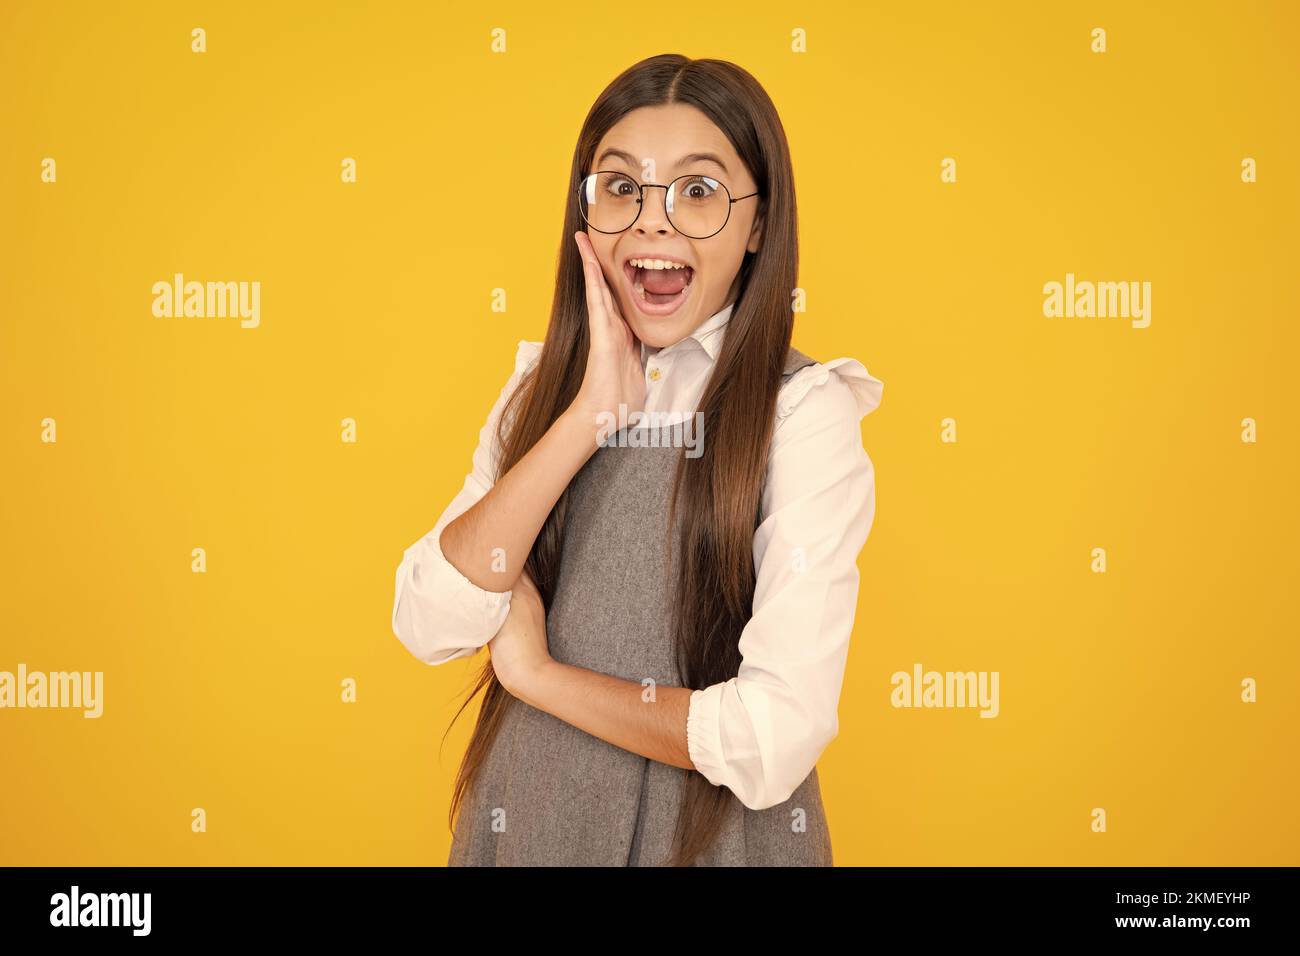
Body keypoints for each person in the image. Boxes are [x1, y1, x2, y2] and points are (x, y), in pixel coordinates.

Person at [391, 53, 883, 866]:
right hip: (532, 830)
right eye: (622, 188)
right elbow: (429, 619)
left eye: (699, 192)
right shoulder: (540, 391)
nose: (653, 222)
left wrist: (541, 678)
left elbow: (773, 739)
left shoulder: (803, 411)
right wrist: (589, 414)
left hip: (717, 844)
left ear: (759, 224)